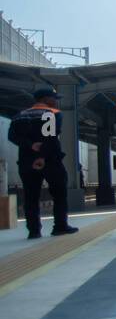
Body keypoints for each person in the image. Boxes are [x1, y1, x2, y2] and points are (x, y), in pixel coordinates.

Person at [6, 87, 78, 239]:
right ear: (46, 99)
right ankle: (60, 226)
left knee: (30, 197)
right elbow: (50, 136)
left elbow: (12, 137)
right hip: (50, 160)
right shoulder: (52, 114)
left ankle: (34, 231)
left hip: (26, 161)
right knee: (59, 193)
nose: (56, 101)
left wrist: (29, 145)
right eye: (54, 98)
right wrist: (42, 156)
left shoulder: (19, 116)